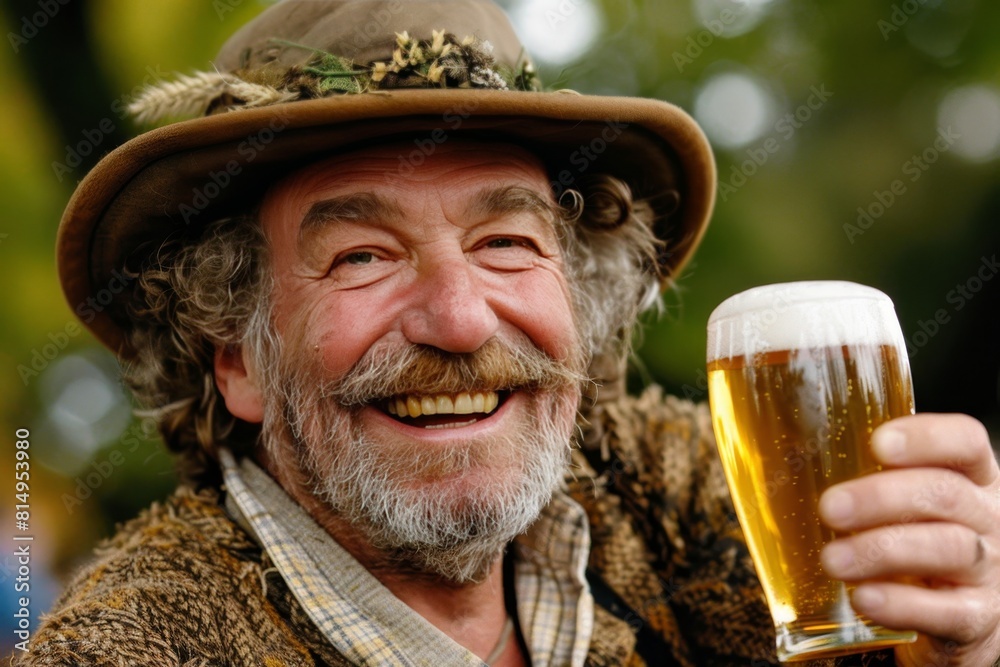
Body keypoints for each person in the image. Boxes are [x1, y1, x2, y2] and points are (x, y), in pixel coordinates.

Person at [14, 1, 1000, 665]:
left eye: (506, 240)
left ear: (580, 297)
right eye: (360, 255)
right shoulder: (134, 643)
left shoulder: (684, 497)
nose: (459, 318)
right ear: (234, 354)